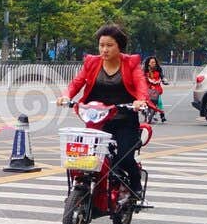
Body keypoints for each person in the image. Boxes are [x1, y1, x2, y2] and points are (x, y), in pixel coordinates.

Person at [57, 24, 154, 199]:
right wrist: (65, 96)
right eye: (101, 45)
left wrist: (140, 100)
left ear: (119, 47)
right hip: (97, 119)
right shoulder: (92, 62)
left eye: (109, 45)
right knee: (86, 158)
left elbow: (141, 84)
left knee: (123, 157)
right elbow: (76, 83)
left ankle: (135, 184)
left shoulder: (130, 63)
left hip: (124, 119)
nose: (104, 49)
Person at [144, 54, 167, 122]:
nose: (153, 64)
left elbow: (162, 76)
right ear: (148, 63)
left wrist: (164, 80)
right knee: (144, 102)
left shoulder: (159, 70)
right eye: (152, 62)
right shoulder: (145, 70)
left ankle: (162, 114)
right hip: (147, 89)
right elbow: (140, 77)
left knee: (159, 102)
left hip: (157, 89)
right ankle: (145, 113)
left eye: (154, 62)